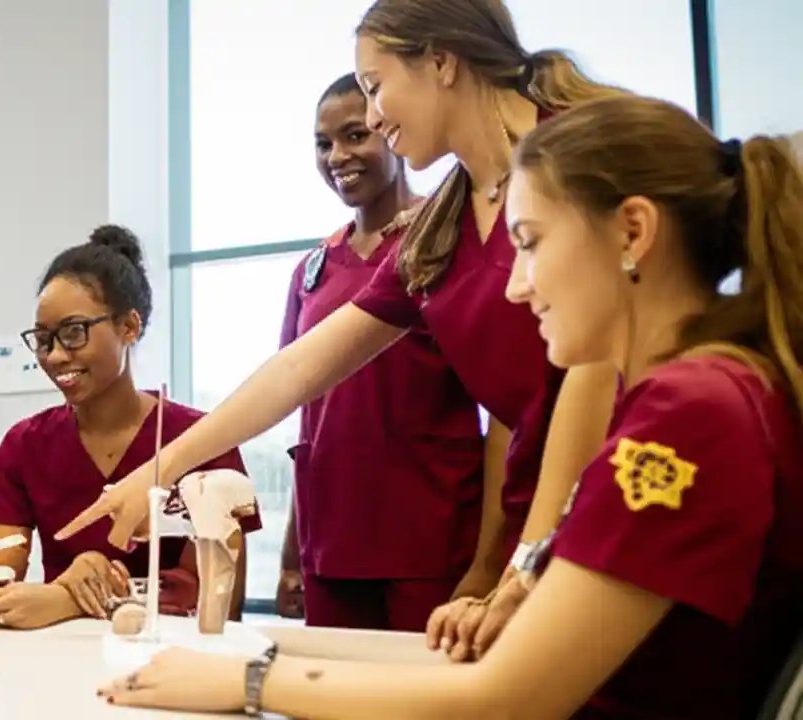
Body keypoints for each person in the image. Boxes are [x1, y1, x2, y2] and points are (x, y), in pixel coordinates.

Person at [97, 92, 803, 720]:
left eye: (530, 244)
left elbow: (511, 697)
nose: (516, 286)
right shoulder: (705, 390)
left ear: (633, 232)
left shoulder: (692, 415)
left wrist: (251, 683)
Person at [58, 0, 621, 650]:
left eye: (377, 89)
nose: (374, 115)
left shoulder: (577, 150)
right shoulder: (440, 228)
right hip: (533, 528)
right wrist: (163, 467)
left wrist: (517, 563)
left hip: (608, 505)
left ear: (440, 61)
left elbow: (596, 372)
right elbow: (301, 367)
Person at [276, 73, 496, 631]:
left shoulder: (447, 240)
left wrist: (492, 556)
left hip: (430, 544)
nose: (338, 156)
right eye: (323, 144)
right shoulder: (311, 272)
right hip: (331, 547)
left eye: (355, 136)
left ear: (389, 133)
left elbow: (505, 408)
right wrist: (291, 553)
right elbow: (305, 415)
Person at [0, 226, 261, 630]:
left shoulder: (201, 440)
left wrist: (69, 596)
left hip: (176, 664)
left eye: (73, 332)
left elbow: (218, 599)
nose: (54, 356)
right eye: (43, 339)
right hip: (55, 662)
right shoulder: (25, 446)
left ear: (129, 327)